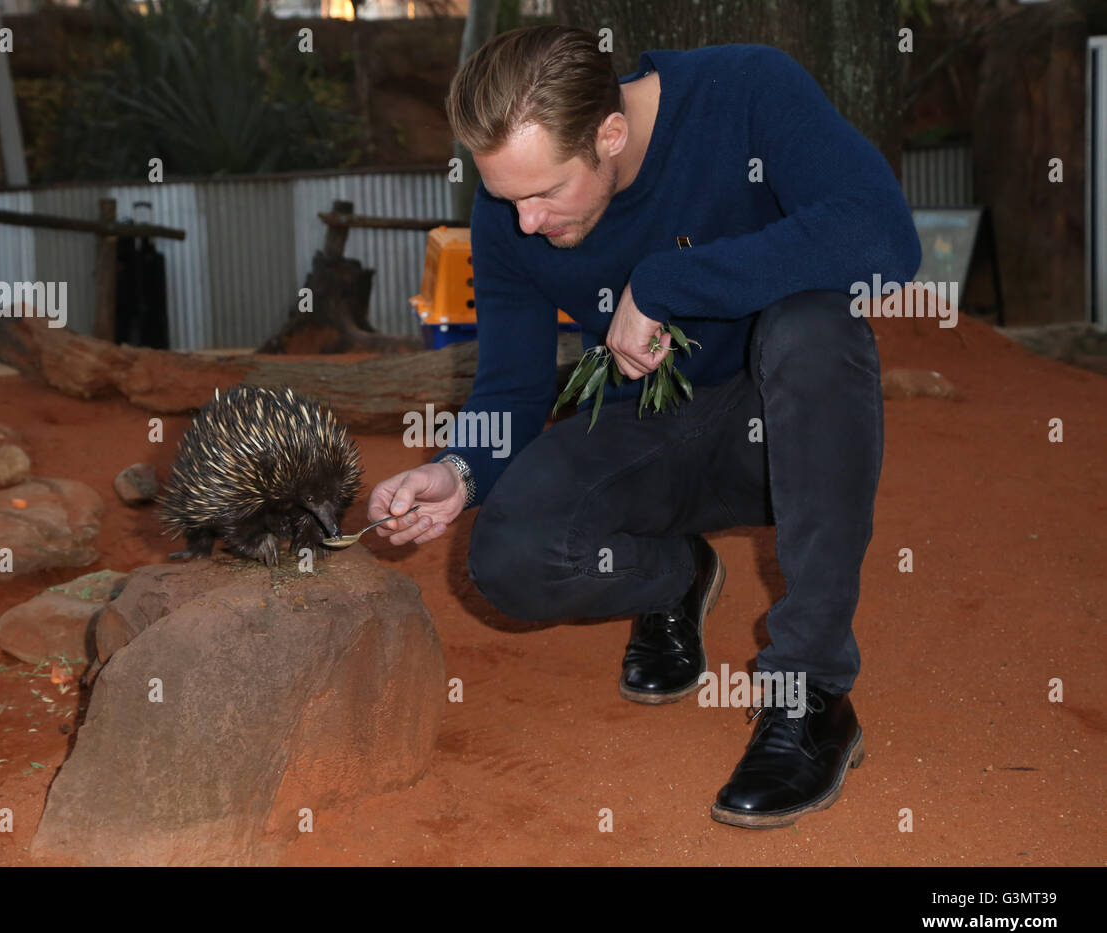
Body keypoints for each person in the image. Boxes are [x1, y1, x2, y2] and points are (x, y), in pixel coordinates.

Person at [365, 24, 921, 828]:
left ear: (610, 134)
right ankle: (676, 576)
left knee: (815, 326)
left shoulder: (747, 91)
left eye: (546, 193)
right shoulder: (508, 210)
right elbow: (514, 387)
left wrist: (667, 280)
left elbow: (883, 238)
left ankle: (812, 697)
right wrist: (456, 470)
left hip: (789, 423)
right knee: (511, 558)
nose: (525, 221)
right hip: (655, 432)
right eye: (507, 197)